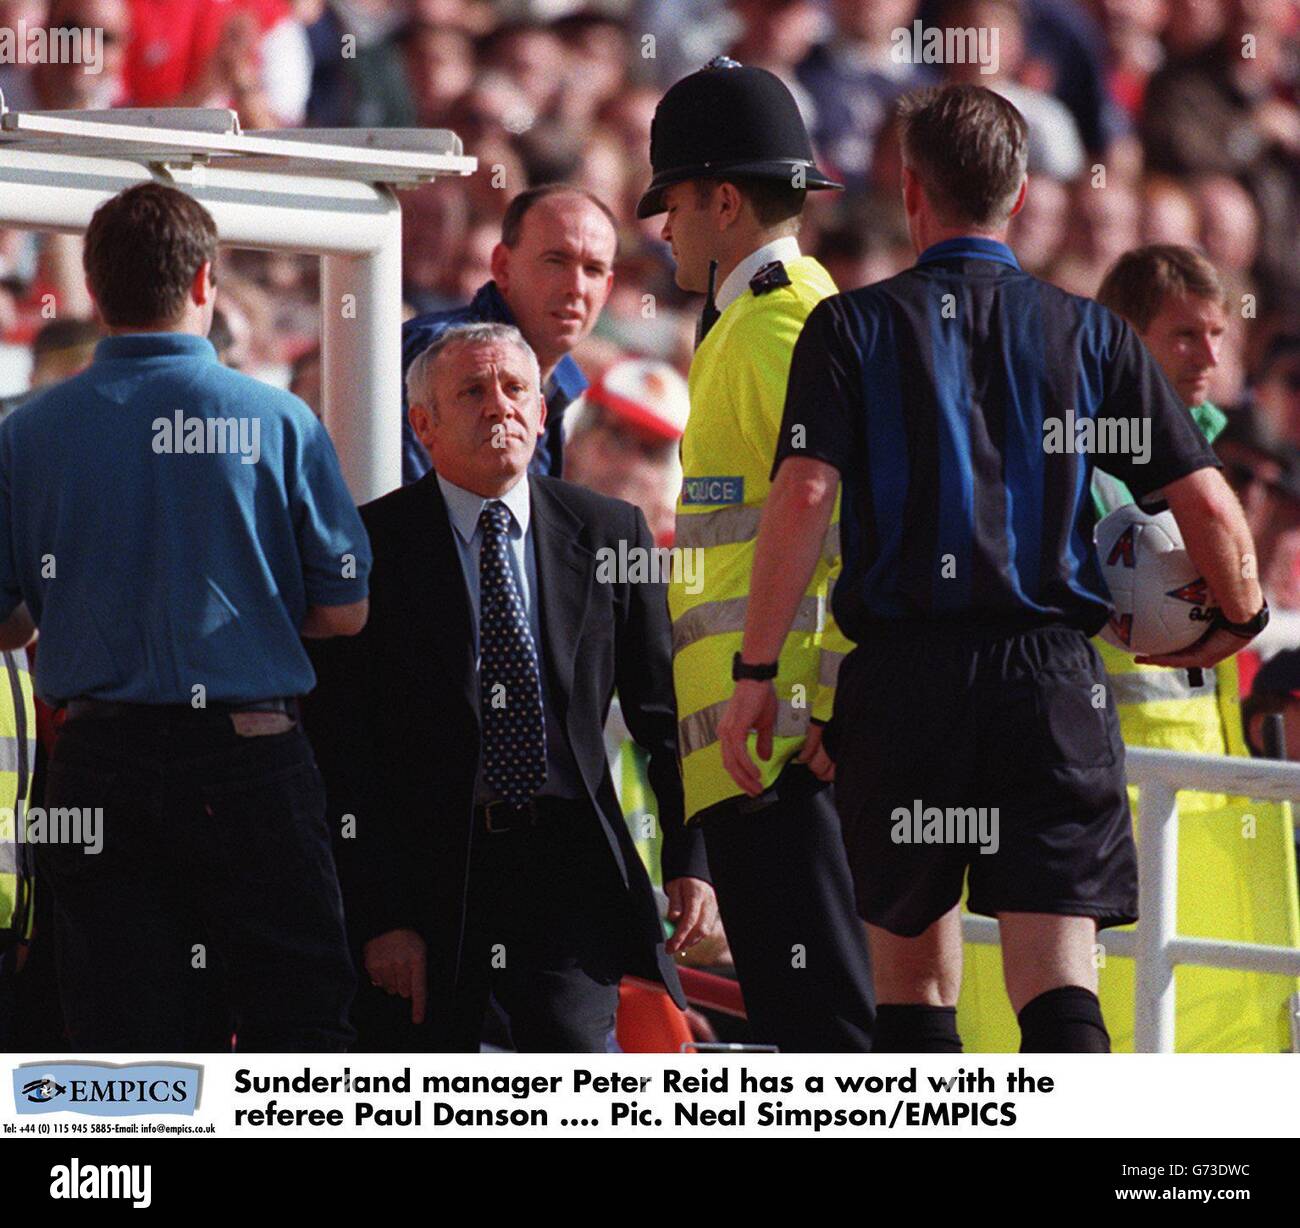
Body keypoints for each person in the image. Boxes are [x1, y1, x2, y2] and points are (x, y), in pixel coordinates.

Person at [719, 83, 1268, 1053]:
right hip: (1048, 681)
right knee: (1056, 981)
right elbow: (1208, 503)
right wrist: (1239, 616)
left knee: (914, 987)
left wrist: (756, 674)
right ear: (1018, 197)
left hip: (902, 684)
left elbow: (802, 498)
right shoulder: (1089, 332)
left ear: (910, 188)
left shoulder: (847, 328)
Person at [0, 182, 371, 1051]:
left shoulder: (26, 434)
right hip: (248, 761)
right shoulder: (280, 421)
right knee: (298, 1021)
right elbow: (347, 610)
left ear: (93, 290)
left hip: (95, 763)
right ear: (205, 280)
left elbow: (8, 625)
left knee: (121, 1034)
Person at [305, 322, 717, 1053]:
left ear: (541, 411)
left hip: (568, 872)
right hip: (433, 881)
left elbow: (665, 715)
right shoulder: (372, 547)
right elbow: (343, 752)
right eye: (473, 391)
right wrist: (381, 917)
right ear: (423, 425)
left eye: (515, 389)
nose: (500, 407)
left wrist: (691, 863)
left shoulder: (610, 532)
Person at [640, 57, 876, 1053]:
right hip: (757, 748)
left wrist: (825, 701)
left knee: (827, 1035)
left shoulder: (782, 320)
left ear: (723, 201)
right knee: (804, 1027)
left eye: (674, 204)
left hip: (779, 745)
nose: (663, 229)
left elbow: (852, 517)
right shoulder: (757, 317)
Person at [399, 183, 617, 486]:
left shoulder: (561, 382)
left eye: (592, 269)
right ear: (502, 266)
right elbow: (402, 512)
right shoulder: (438, 353)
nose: (576, 288)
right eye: (556, 261)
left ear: (607, 289)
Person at [563, 357, 689, 548]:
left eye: (651, 453)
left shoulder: (682, 560)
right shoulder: (523, 517)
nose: (630, 467)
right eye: (617, 440)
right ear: (575, 441)